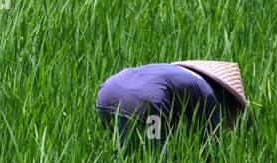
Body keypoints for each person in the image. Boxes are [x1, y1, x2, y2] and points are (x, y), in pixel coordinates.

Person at [95, 60, 247, 147]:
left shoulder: (180, 76)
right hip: (148, 103)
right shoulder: (209, 95)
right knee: (157, 161)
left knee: (128, 156)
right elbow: (211, 149)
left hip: (106, 95)